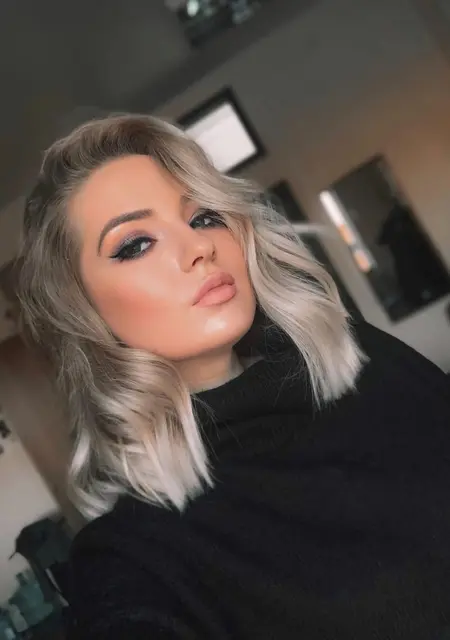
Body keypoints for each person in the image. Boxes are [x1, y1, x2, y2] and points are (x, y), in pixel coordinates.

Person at [18, 114, 450, 640]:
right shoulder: (136, 556)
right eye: (136, 244)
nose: (200, 247)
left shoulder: (365, 359)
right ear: (84, 312)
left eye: (203, 217)